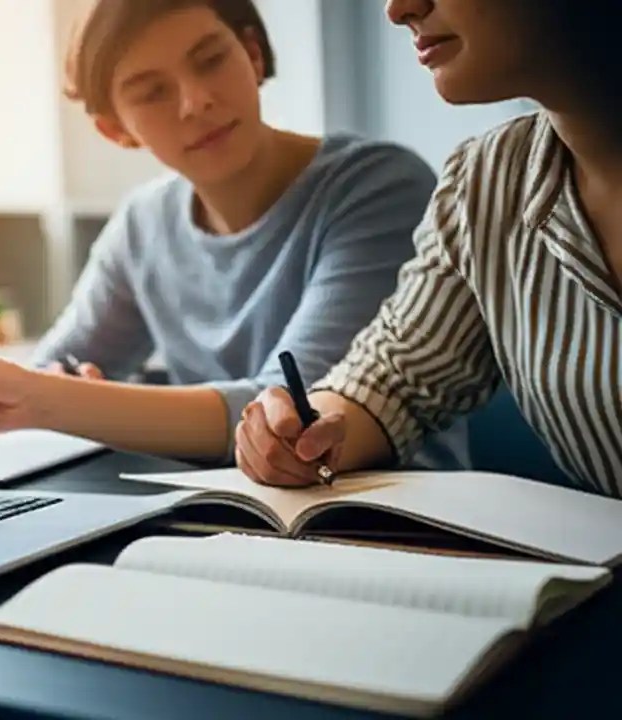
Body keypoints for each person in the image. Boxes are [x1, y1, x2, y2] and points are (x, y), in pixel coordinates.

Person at [0, 0, 469, 469]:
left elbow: (293, 412)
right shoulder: (144, 224)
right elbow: (61, 368)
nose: (196, 101)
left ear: (252, 56)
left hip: (384, 517)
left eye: (211, 60)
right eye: (152, 93)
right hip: (222, 517)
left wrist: (63, 399)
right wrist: (53, 392)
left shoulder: (378, 186)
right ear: (116, 129)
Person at [230, 0, 622, 497]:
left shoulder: (367, 181)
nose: (399, 9)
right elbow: (393, 382)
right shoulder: (485, 182)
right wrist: (297, 436)